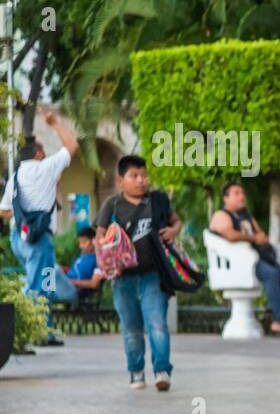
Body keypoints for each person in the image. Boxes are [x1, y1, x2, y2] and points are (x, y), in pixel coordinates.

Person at [94, 155, 182, 391]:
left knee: (157, 324)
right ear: (120, 180)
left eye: (144, 175)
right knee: (131, 328)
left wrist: (173, 231)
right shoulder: (112, 205)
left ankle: (162, 370)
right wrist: (103, 263)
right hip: (123, 278)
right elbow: (99, 237)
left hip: (154, 274)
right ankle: (136, 371)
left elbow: (176, 222)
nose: (141, 181)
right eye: (134, 176)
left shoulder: (158, 201)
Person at [0, 111, 81, 344]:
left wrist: (23, 215)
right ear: (37, 153)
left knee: (46, 283)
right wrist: (55, 122)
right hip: (40, 242)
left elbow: (4, 210)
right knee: (40, 285)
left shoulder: (15, 177)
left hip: (21, 239)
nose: (46, 154)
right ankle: (28, 328)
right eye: (43, 151)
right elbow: (73, 146)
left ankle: (45, 330)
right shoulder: (45, 168)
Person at [209, 182, 280, 335]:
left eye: (242, 193)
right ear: (226, 198)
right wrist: (253, 238)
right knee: (272, 274)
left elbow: (260, 233)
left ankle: (279, 321)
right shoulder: (221, 215)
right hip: (239, 262)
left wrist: (261, 238)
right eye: (236, 193)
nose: (241, 196)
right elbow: (230, 235)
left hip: (256, 258)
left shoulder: (246, 216)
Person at [66, 227, 105, 306]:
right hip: (67, 285)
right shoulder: (82, 256)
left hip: (76, 291)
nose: (81, 246)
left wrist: (71, 282)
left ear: (94, 241)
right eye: (80, 243)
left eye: (84, 242)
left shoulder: (99, 260)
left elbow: (94, 284)